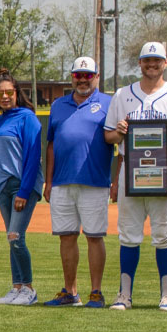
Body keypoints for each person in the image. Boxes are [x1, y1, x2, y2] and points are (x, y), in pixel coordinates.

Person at [104, 42, 167, 311]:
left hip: (164, 175)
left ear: (165, 62)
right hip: (130, 176)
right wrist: (120, 131)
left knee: (164, 235)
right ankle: (124, 295)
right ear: (140, 63)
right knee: (128, 236)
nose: (152, 64)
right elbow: (109, 136)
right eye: (147, 60)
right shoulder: (122, 94)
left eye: (157, 60)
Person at [42, 59, 113, 307]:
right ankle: (70, 292)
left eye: (88, 75)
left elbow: (116, 138)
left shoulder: (108, 103)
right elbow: (51, 145)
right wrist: (48, 181)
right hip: (62, 181)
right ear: (72, 77)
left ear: (97, 76)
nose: (83, 79)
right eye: (78, 75)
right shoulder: (59, 105)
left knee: (94, 236)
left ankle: (96, 291)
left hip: (94, 181)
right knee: (67, 237)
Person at [0, 74, 43, 306]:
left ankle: (29, 288)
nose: (5, 96)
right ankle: (16, 286)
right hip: (3, 187)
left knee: (16, 237)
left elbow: (32, 156)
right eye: (0, 93)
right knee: (11, 239)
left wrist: (24, 191)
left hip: (21, 185)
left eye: (9, 92)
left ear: (17, 93)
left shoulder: (27, 118)